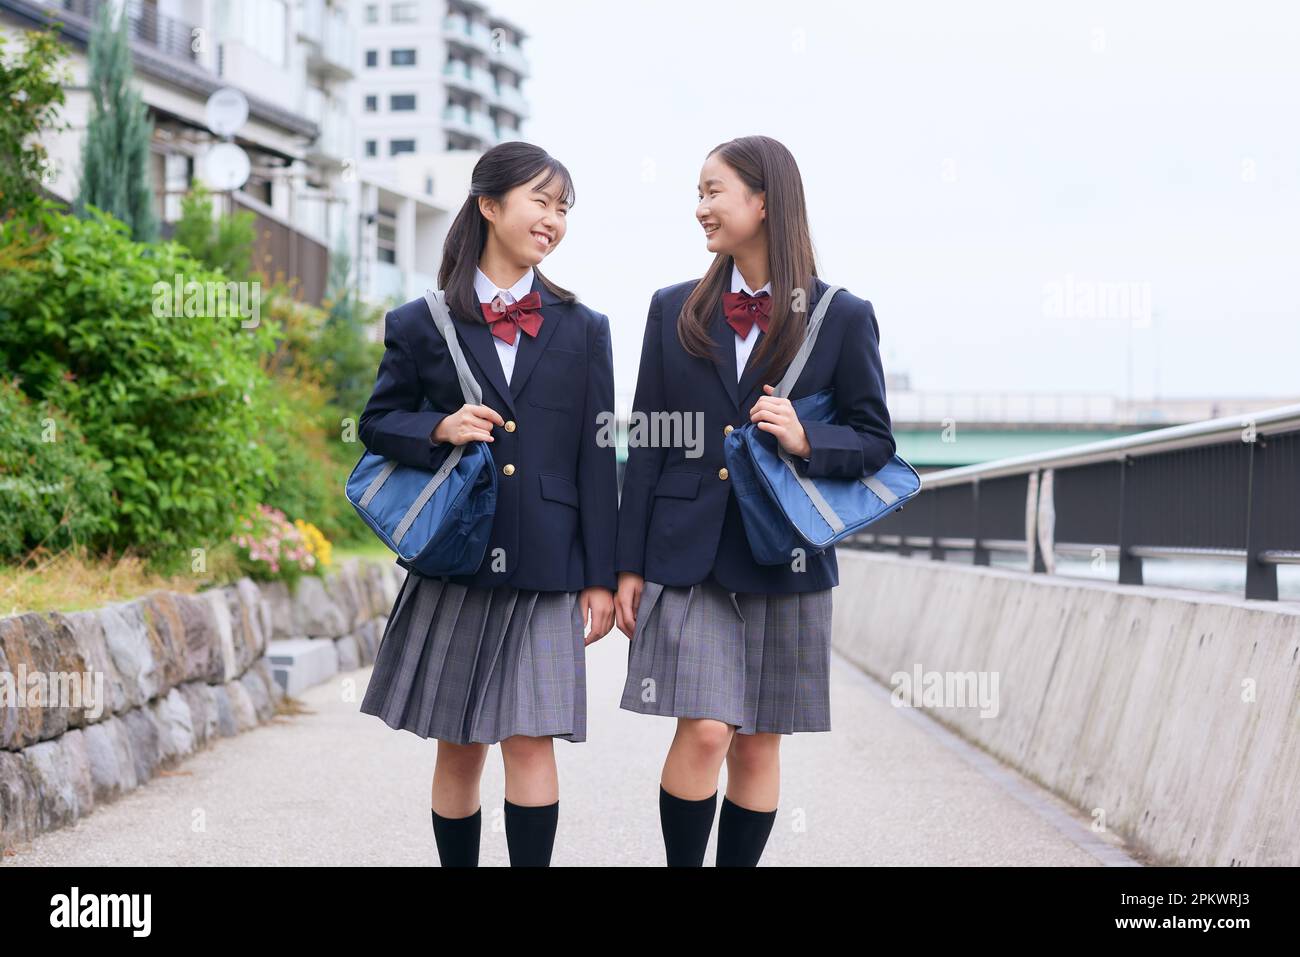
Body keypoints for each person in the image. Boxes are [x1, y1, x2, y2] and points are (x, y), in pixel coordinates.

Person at [615, 135, 897, 866]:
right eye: (699, 192)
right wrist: (627, 564)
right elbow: (646, 442)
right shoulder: (672, 308)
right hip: (689, 553)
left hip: (784, 553)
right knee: (707, 728)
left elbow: (875, 440)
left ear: (763, 200)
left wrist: (806, 438)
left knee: (758, 741)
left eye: (713, 190)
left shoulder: (842, 315)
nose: (700, 207)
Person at [357, 141, 618, 867]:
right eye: (541, 200)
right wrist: (437, 427)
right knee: (460, 742)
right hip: (457, 558)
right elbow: (376, 423)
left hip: (548, 563)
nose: (553, 219)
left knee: (531, 740)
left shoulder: (585, 327)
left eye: (563, 208)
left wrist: (601, 575)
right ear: (490, 205)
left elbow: (597, 459)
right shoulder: (421, 321)